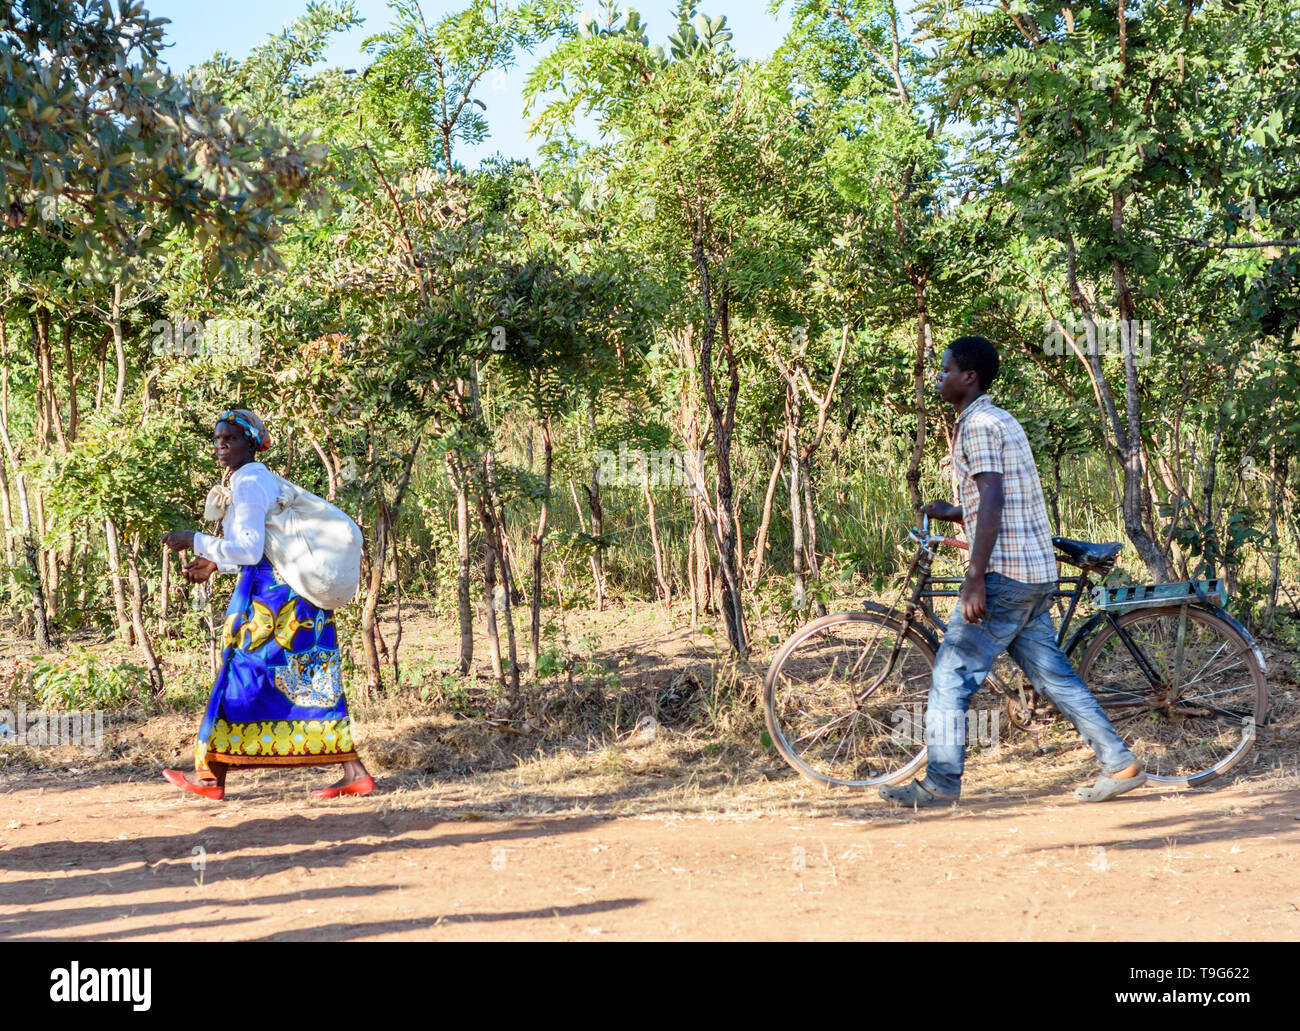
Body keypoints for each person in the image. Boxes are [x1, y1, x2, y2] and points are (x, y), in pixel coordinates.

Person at [880, 336, 1145, 808]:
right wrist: (957, 513)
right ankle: (1119, 762)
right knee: (1053, 679)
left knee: (950, 675)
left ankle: (941, 785)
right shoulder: (999, 419)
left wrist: (975, 576)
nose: (938, 378)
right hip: (1033, 571)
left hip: (1004, 574)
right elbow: (999, 501)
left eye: (945, 370)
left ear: (969, 377)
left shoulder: (978, 424)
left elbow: (997, 499)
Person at [160, 409, 373, 802]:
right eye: (218, 439)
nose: (222, 446)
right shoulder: (257, 479)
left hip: (275, 602)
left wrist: (195, 539)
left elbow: (250, 548)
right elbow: (263, 547)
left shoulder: (249, 481)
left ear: (250, 444)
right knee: (310, 683)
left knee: (241, 674)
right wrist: (214, 564)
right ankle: (353, 772)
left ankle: (211, 778)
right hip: (293, 598)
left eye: (231, 439)